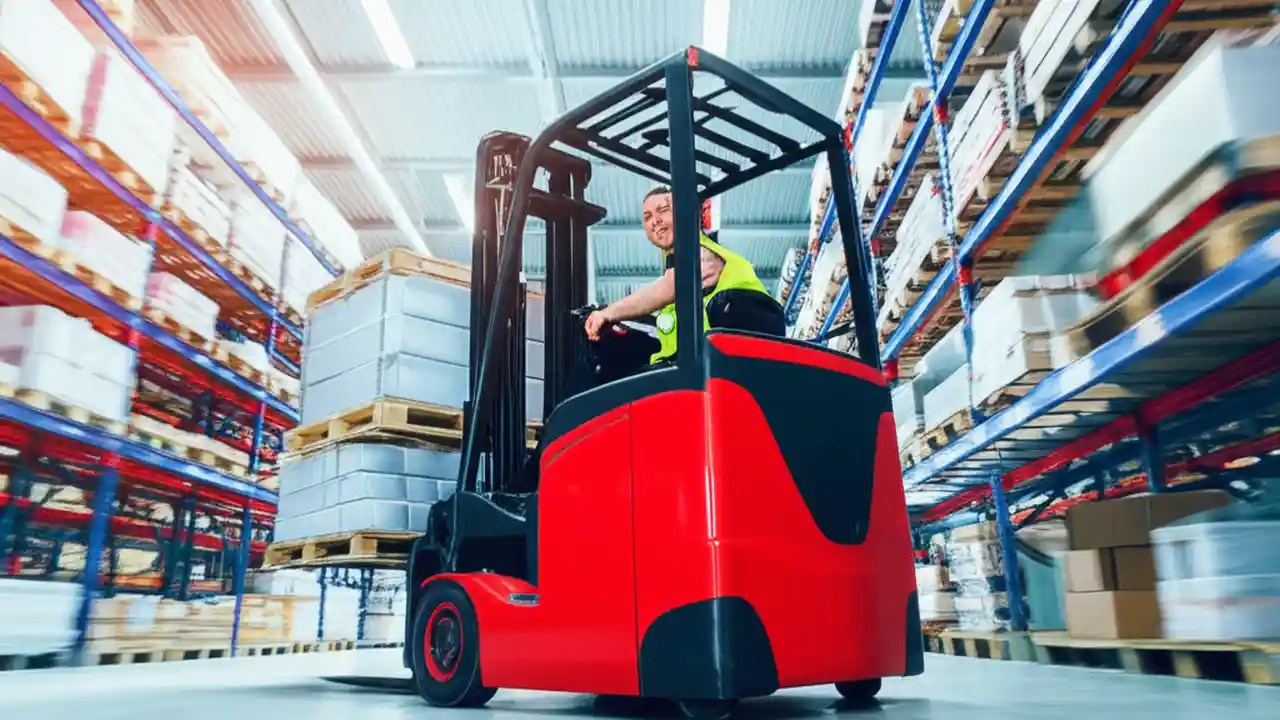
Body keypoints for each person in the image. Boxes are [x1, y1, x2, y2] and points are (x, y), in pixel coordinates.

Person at [584, 186, 782, 364]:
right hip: (699, 365)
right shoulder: (677, 267)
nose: (655, 221)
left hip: (720, 365)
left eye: (663, 210)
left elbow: (666, 289)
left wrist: (607, 313)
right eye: (647, 217)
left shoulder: (699, 251)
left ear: (684, 213)